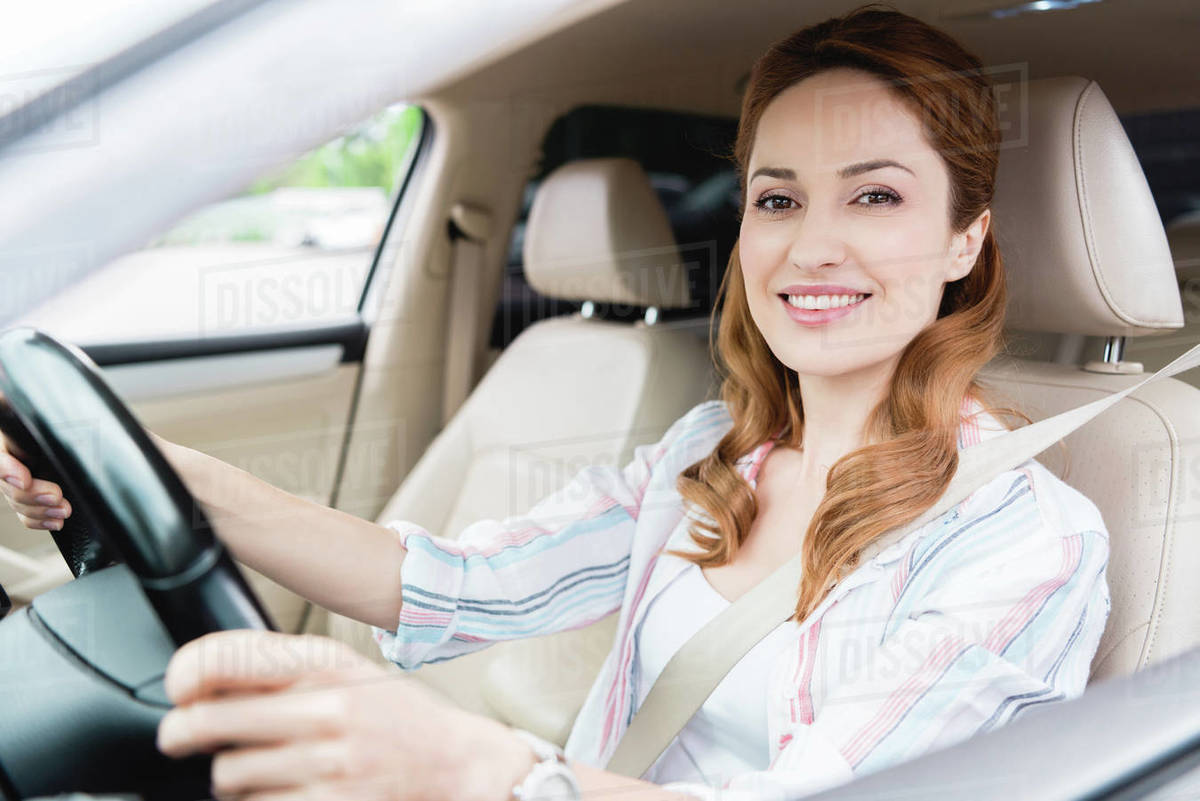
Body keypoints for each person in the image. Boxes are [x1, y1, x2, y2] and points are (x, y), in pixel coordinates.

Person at [0, 5, 1111, 800]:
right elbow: (458, 585)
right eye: (778, 197)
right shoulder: (712, 453)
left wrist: (488, 771)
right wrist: (162, 476)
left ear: (967, 240)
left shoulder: (1025, 541)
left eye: (876, 194)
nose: (811, 244)